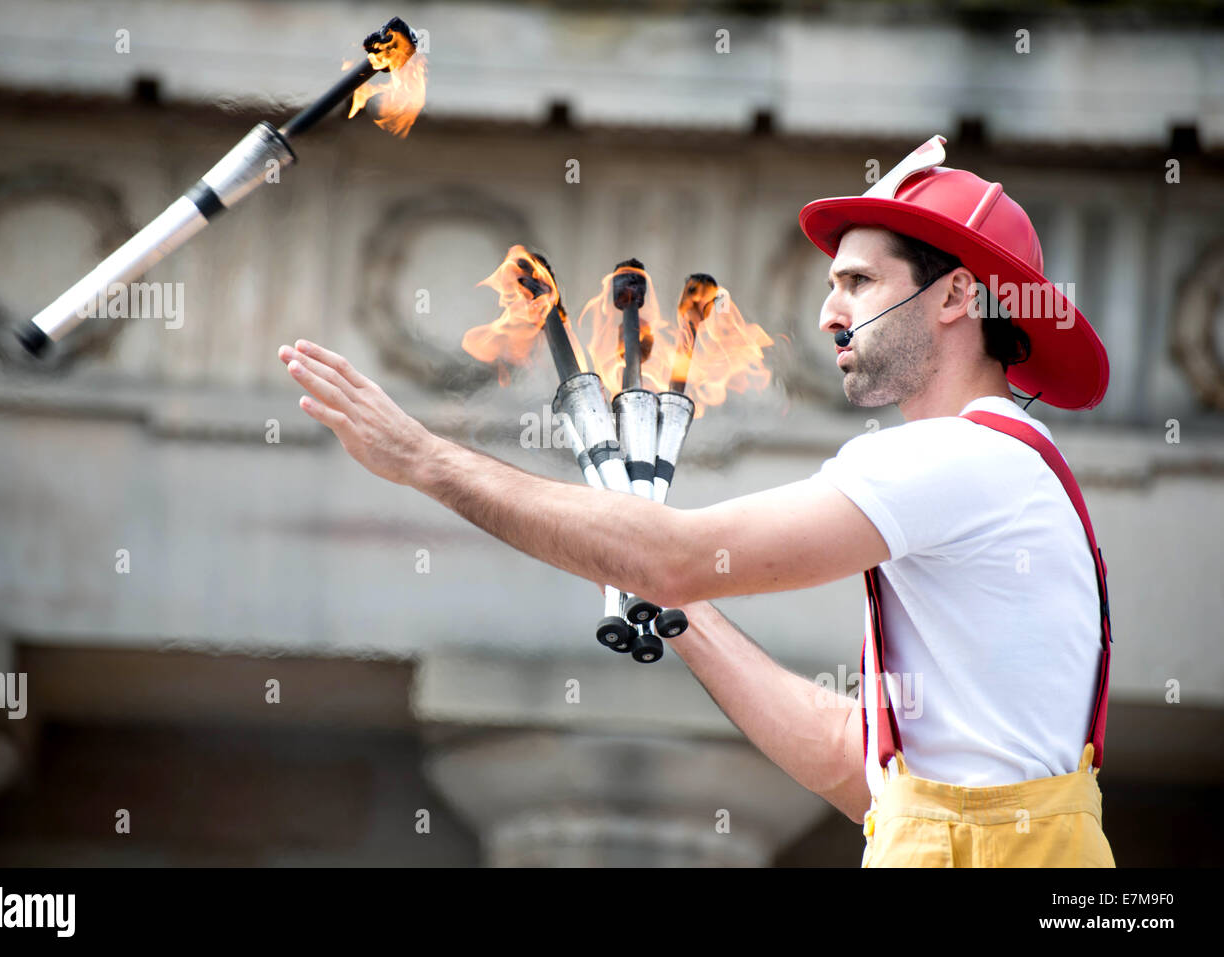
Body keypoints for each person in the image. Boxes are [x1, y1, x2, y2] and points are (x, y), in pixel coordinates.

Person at [276, 135, 1115, 867]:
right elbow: (848, 762)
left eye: (858, 282)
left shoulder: (958, 457)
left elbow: (669, 552)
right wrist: (674, 603)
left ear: (957, 297)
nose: (828, 312)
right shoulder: (975, 471)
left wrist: (424, 458)